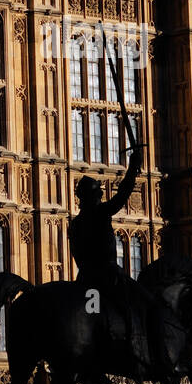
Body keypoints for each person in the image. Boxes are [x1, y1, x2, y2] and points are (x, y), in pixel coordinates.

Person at [69, 142, 151, 370]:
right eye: (97, 194)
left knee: (92, 314)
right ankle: (135, 350)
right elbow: (122, 195)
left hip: (85, 279)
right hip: (107, 275)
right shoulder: (101, 212)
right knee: (137, 303)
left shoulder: (76, 223)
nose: (99, 198)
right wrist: (133, 167)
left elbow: (76, 252)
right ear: (93, 197)